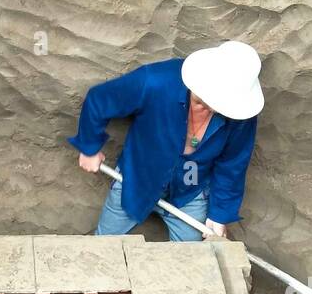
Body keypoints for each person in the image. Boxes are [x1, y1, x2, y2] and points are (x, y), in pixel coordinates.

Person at [68, 40, 264, 242]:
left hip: (190, 190)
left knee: (193, 257)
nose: (208, 110)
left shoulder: (240, 113)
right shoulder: (155, 81)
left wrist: (220, 214)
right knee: (102, 245)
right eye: (202, 102)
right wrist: (89, 146)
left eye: (220, 107)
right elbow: (100, 99)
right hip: (135, 180)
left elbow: (232, 164)